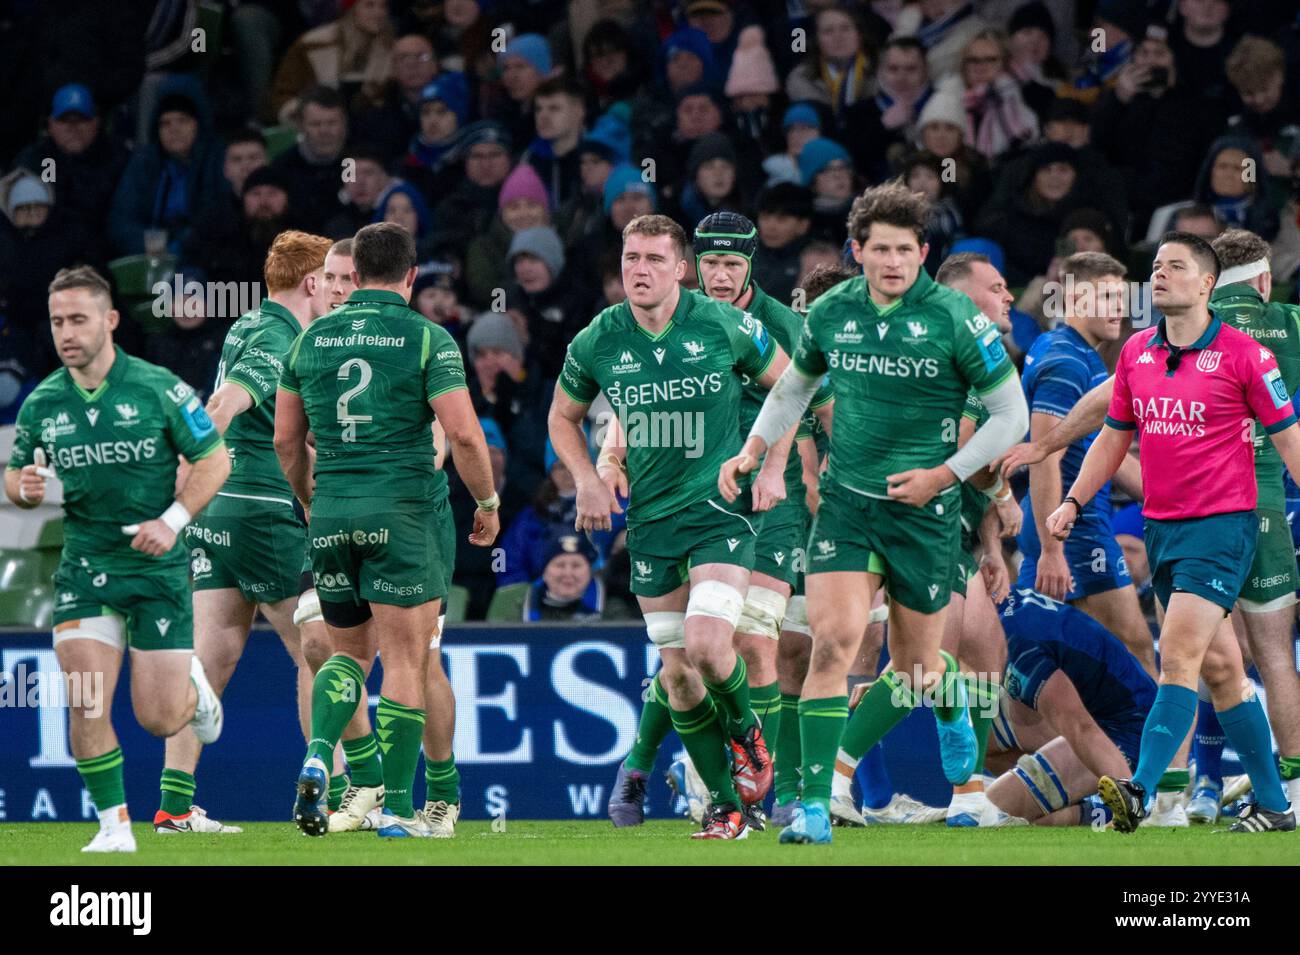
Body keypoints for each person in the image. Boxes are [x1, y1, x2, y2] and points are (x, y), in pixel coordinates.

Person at [721, 179, 1027, 844]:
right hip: (846, 508)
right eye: (879, 249)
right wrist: (754, 447)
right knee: (834, 643)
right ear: (857, 250)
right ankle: (813, 802)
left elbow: (1012, 416)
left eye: (904, 250)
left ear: (922, 251)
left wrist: (945, 475)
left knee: (916, 666)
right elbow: (793, 390)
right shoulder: (830, 313)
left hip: (926, 514)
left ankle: (950, 704)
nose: (892, 261)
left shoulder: (955, 318)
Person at [550, 213, 795, 839]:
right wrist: (589, 476)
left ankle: (749, 742)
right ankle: (726, 805)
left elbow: (793, 388)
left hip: (721, 512)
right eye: (632, 257)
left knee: (716, 646)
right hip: (651, 524)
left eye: (656, 259)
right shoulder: (598, 339)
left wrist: (771, 467)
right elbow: (562, 417)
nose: (640, 269)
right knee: (680, 677)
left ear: (679, 268)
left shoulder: (727, 324)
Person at [1045, 231, 1299, 834]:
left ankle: (1141, 792)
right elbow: (1113, 437)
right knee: (1222, 673)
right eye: (1155, 266)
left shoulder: (1247, 356)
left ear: (1207, 285)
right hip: (1162, 529)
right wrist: (1074, 501)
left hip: (1223, 529)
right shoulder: (1136, 352)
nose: (1158, 275)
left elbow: (1291, 444)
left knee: (1177, 656)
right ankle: (1275, 804)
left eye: (1175, 266)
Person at [275, 222, 499, 838]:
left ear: (354, 272)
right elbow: (462, 435)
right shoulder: (429, 339)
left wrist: (309, 500)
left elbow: (285, 440)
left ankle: (322, 754)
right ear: (410, 275)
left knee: (345, 657)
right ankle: (401, 808)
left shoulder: (309, 340)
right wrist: (487, 499)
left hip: (332, 514)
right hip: (403, 514)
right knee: (409, 659)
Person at [605, 212, 830, 828]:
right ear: (691, 264)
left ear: (752, 263)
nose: (722, 275)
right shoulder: (677, 313)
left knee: (757, 644)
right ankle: (654, 768)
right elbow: (637, 388)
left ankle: (767, 791)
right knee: (691, 652)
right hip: (689, 497)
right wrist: (612, 447)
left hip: (769, 496)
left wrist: (800, 474)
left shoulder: (781, 324)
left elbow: (815, 400)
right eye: (712, 264)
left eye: (735, 264)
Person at [3, 266, 231, 852]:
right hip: (85, 569)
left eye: (78, 319)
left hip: (155, 571)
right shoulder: (43, 402)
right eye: (57, 322)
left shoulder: (161, 388)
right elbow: (16, 471)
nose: (66, 333)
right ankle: (114, 828)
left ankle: (195, 693)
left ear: (109, 320)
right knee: (84, 695)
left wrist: (172, 521)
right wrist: (19, 486)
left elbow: (214, 460)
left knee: (159, 718)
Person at [153, 230, 333, 834]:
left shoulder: (243, 324)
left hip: (219, 513)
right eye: (333, 280)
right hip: (261, 504)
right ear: (311, 283)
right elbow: (227, 400)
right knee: (319, 650)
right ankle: (334, 791)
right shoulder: (275, 333)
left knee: (212, 655)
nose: (340, 291)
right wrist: (193, 454)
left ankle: (174, 806)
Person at [1186, 229, 1300, 821]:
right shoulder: (1290, 324)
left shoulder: (1184, 326)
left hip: (1195, 510)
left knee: (1196, 653)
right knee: (1275, 654)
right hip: (1266, 507)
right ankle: (1290, 790)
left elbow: (1111, 401)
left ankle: (1193, 787)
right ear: (1262, 279)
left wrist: (1047, 441)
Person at [1016, 252, 1156, 678]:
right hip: (1074, 533)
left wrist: (1171, 498)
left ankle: (1042, 745)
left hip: (1064, 527)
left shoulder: (1076, 353)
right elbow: (1045, 458)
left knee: (1052, 664)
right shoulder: (1067, 362)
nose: (1120, 308)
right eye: (1109, 296)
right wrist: (1053, 550)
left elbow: (1101, 454)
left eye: (1124, 296)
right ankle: (1159, 748)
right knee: (1136, 651)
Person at [983, 587, 1157, 827]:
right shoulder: (1003, 602)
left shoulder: (1019, 645)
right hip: (1105, 713)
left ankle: (1137, 800)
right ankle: (1072, 792)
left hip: (1127, 732)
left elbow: (1079, 725)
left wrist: (1131, 797)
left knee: (991, 814)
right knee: (982, 735)